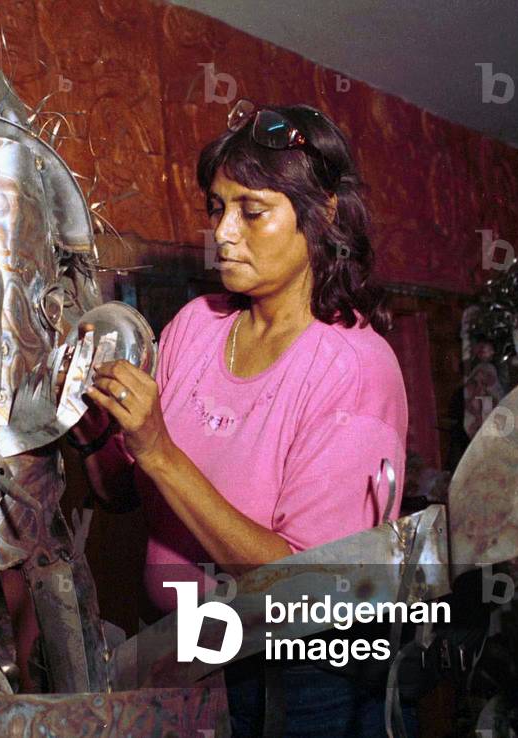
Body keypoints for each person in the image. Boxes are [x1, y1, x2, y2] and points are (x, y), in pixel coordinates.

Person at [66, 100, 411, 737]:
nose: (224, 232)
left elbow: (311, 588)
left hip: (302, 681)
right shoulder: (198, 326)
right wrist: (91, 427)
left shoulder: (354, 370)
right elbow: (118, 490)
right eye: (218, 208)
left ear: (324, 215)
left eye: (252, 211)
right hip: (190, 653)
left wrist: (161, 449)